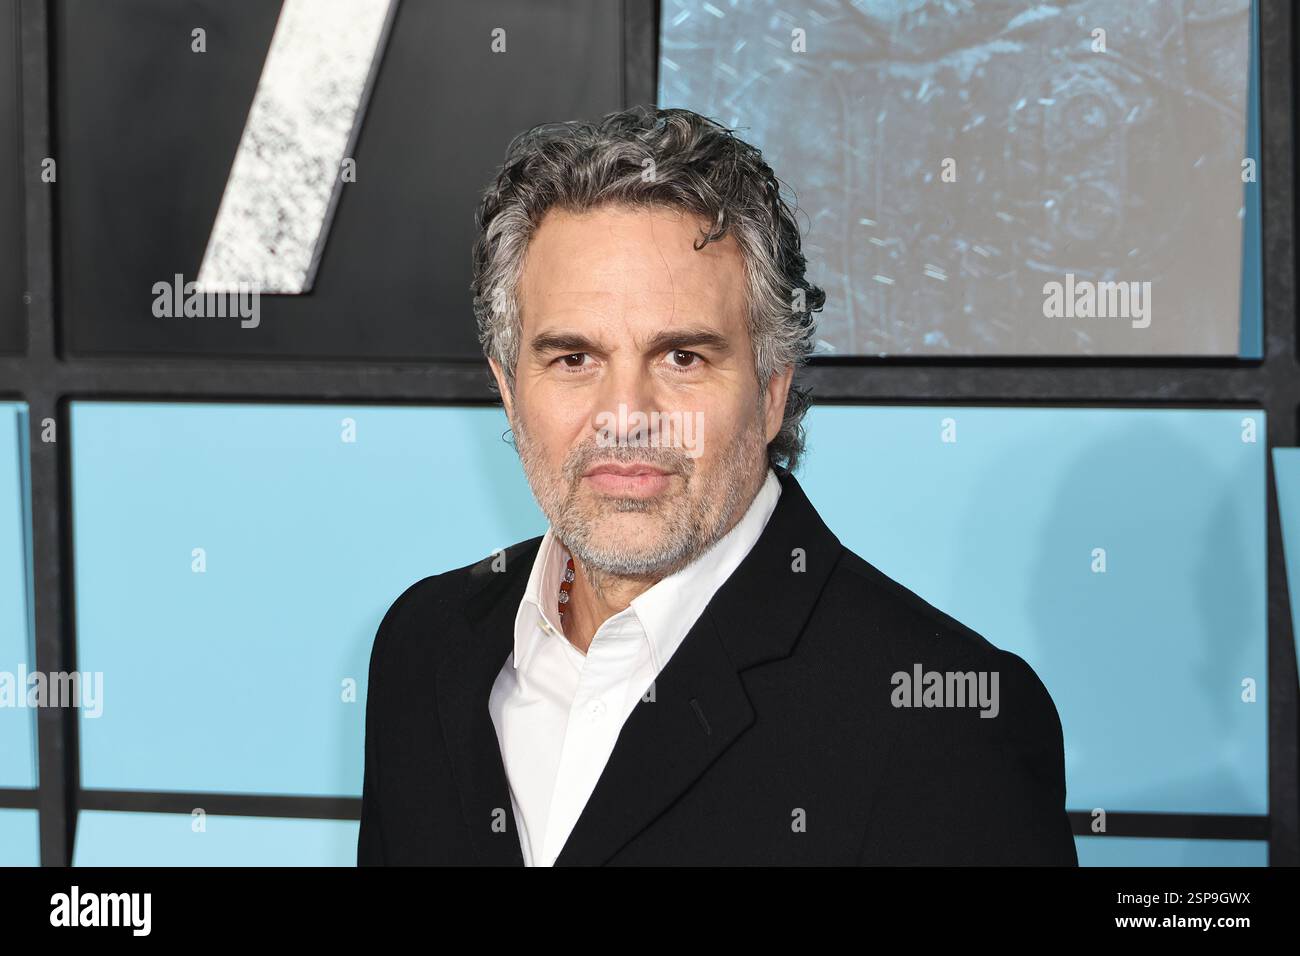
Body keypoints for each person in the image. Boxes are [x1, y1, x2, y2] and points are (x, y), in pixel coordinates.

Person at [358, 106, 1076, 866]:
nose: (625, 419)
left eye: (682, 358)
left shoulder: (942, 720)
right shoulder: (424, 648)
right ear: (509, 390)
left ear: (772, 390)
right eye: (573, 359)